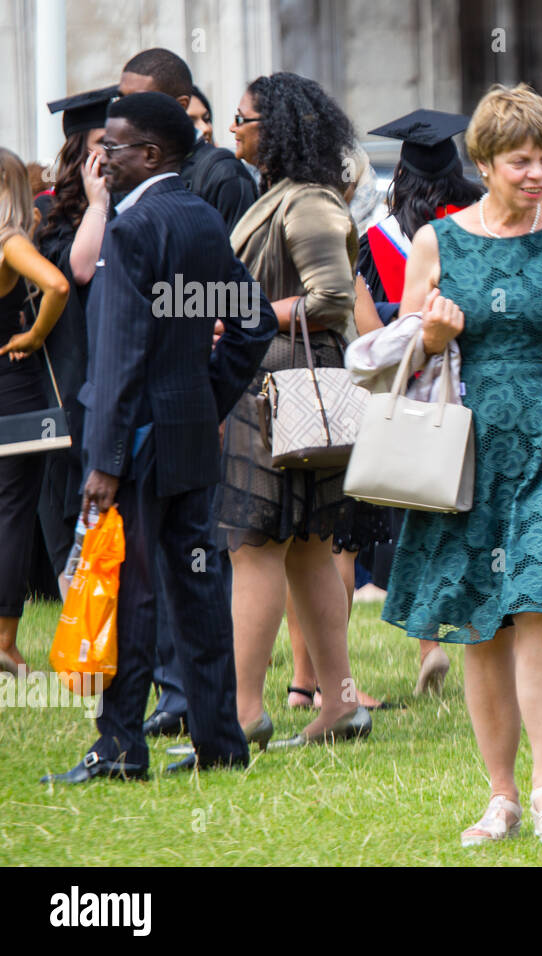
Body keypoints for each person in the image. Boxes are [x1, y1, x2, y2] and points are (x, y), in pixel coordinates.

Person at [383, 83, 542, 845]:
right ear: (483, 162)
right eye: (520, 160)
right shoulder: (438, 242)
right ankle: (501, 795)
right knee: (483, 620)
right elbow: (398, 346)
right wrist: (431, 332)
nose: (537, 172)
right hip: (471, 448)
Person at [39, 92, 277, 782]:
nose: (99, 159)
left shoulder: (132, 226)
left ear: (148, 154)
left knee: (132, 594)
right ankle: (219, 743)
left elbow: (120, 355)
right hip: (188, 439)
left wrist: (105, 461)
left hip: (136, 449)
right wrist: (205, 397)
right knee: (198, 588)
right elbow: (252, 321)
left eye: (110, 148)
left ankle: (118, 749)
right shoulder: (201, 217)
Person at [216, 72, 375, 749]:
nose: (233, 129)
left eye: (243, 118)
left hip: (282, 391)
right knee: (307, 551)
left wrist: (245, 318)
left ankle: (243, 712)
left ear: (274, 128)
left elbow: (332, 299)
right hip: (290, 390)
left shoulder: (306, 202)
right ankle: (340, 705)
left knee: (253, 549)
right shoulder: (288, 196)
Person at [347, 109, 483, 697]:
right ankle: (480, 628)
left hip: (419, 390)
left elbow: (369, 326)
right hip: (482, 387)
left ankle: (429, 639)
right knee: (478, 514)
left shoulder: (380, 240)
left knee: (420, 511)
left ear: (401, 174)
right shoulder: (481, 219)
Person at [34, 87, 116, 591]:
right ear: (79, 152)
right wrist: (96, 205)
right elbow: (78, 272)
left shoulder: (131, 204)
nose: (115, 151)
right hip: (67, 378)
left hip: (112, 375)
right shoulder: (50, 214)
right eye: (105, 141)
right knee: (68, 498)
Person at [0, 147, 70, 677]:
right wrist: (38, 330)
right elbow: (58, 284)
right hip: (14, 392)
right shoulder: (10, 241)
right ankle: (4, 642)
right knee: (13, 515)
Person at [118, 48, 257, 232]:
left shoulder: (223, 174)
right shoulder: (124, 167)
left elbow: (242, 256)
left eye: (139, 100)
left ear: (180, 105)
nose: (125, 111)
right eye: (121, 99)